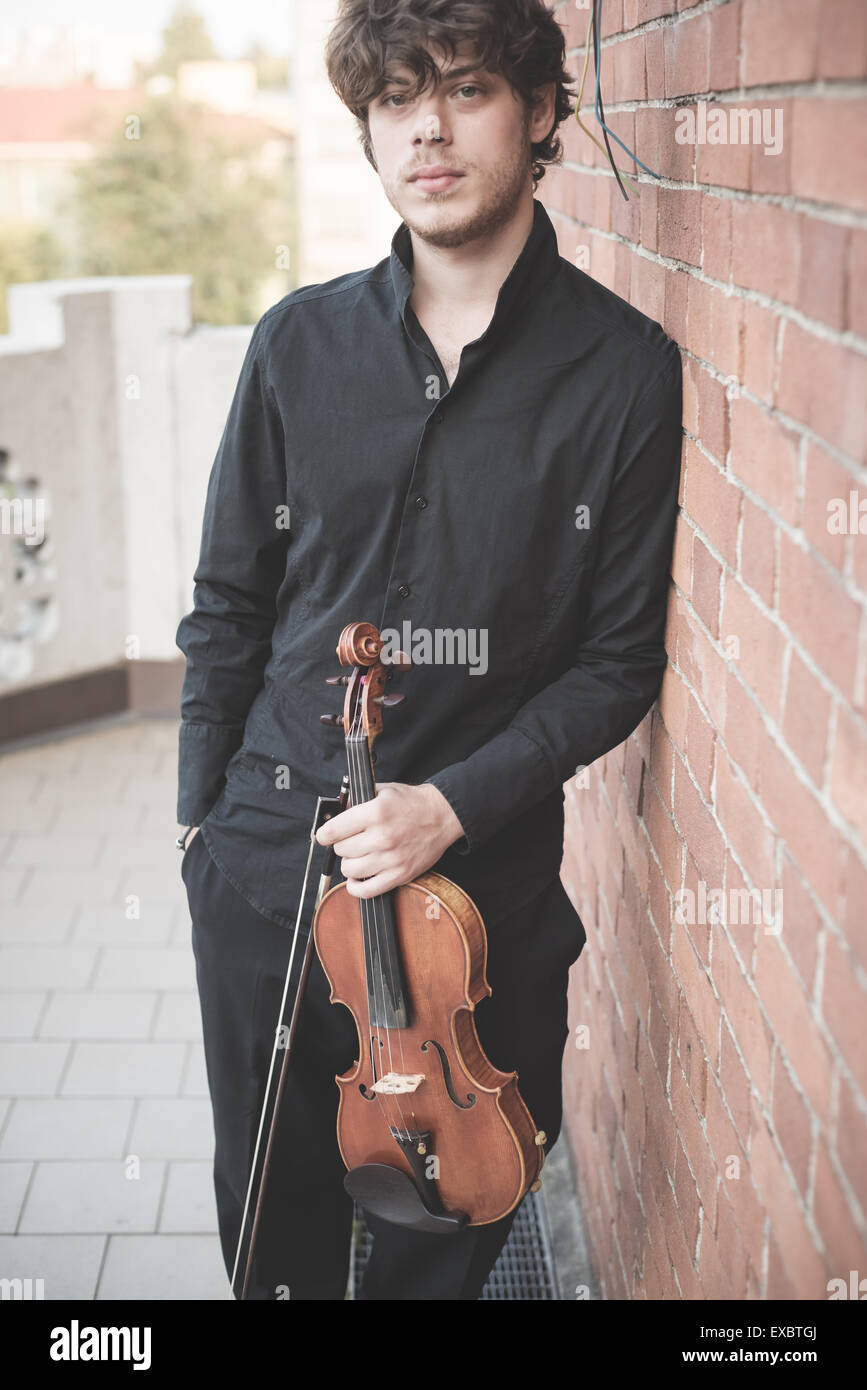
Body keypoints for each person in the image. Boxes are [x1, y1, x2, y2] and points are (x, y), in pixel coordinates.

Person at [176, 0, 683, 1301]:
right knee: (272, 1239)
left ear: (542, 110)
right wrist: (197, 828)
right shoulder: (298, 343)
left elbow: (617, 662)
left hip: (481, 905)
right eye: (396, 100)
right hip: (266, 875)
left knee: (446, 1236)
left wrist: (450, 803)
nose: (426, 130)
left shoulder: (624, 374)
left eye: (463, 89)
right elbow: (229, 603)